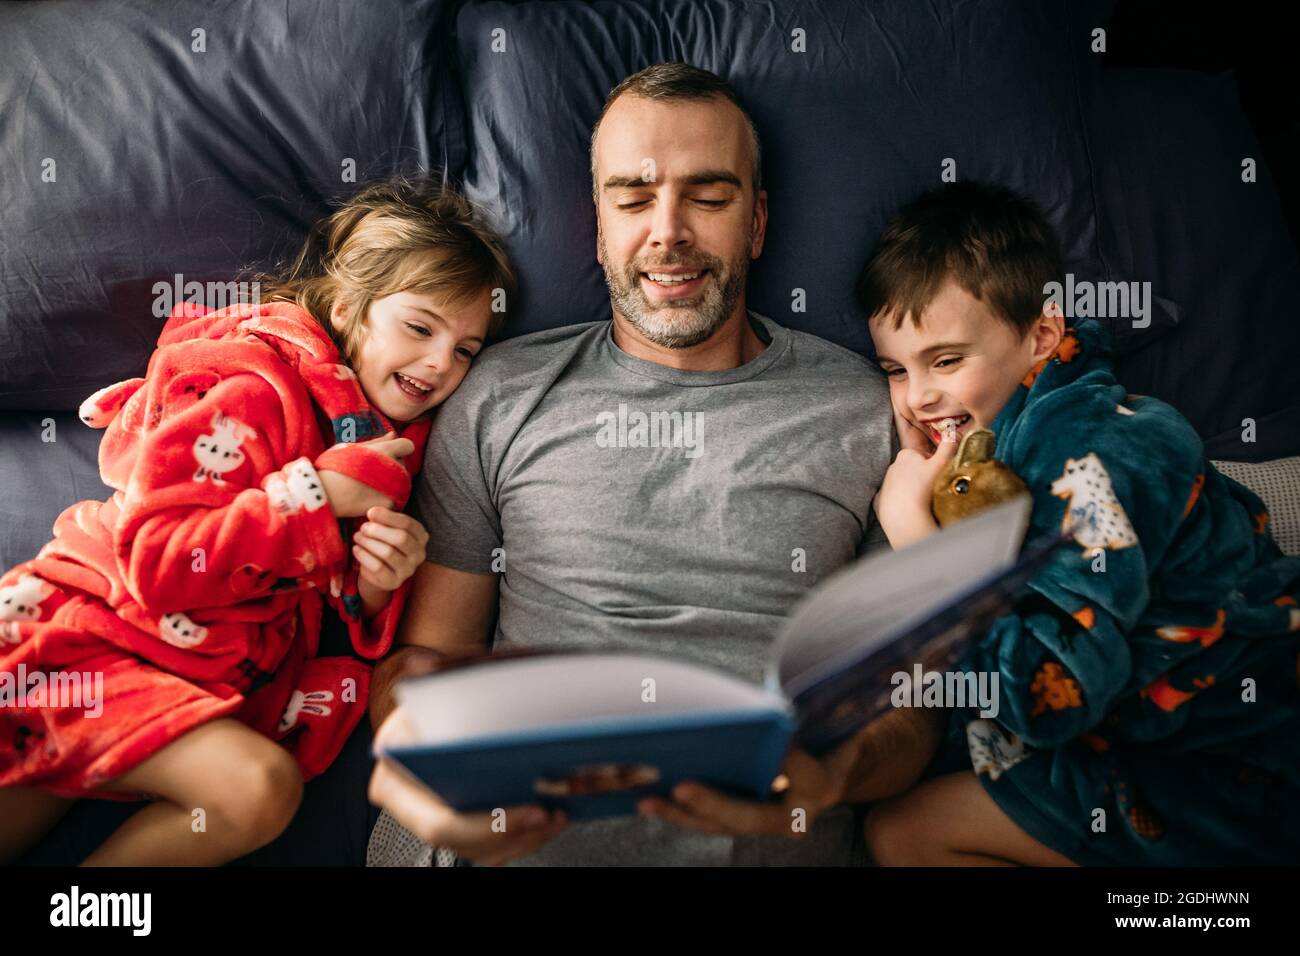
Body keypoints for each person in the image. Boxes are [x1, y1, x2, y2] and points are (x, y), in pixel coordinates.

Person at [366, 62, 896, 866]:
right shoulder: (498, 394)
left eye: (709, 198)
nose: (669, 232)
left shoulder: (865, 407)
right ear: (600, 224)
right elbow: (421, 661)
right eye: (634, 198)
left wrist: (835, 770)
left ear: (756, 224)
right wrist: (412, 740)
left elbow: (910, 707)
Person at [0, 178, 515, 865]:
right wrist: (315, 498)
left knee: (253, 791)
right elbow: (156, 559)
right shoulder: (250, 382)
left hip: (177, 684)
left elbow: (327, 608)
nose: (438, 363)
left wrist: (373, 586)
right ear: (346, 309)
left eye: (465, 351)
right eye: (420, 327)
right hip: (88, 637)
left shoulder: (383, 457)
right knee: (255, 789)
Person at [858, 180, 1300, 864]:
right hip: (1150, 736)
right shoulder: (1002, 437)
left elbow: (1051, 698)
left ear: (1042, 335)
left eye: (946, 360)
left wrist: (919, 546)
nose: (918, 397)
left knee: (904, 836)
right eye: (894, 369)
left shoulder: (1095, 458)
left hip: (1239, 758)